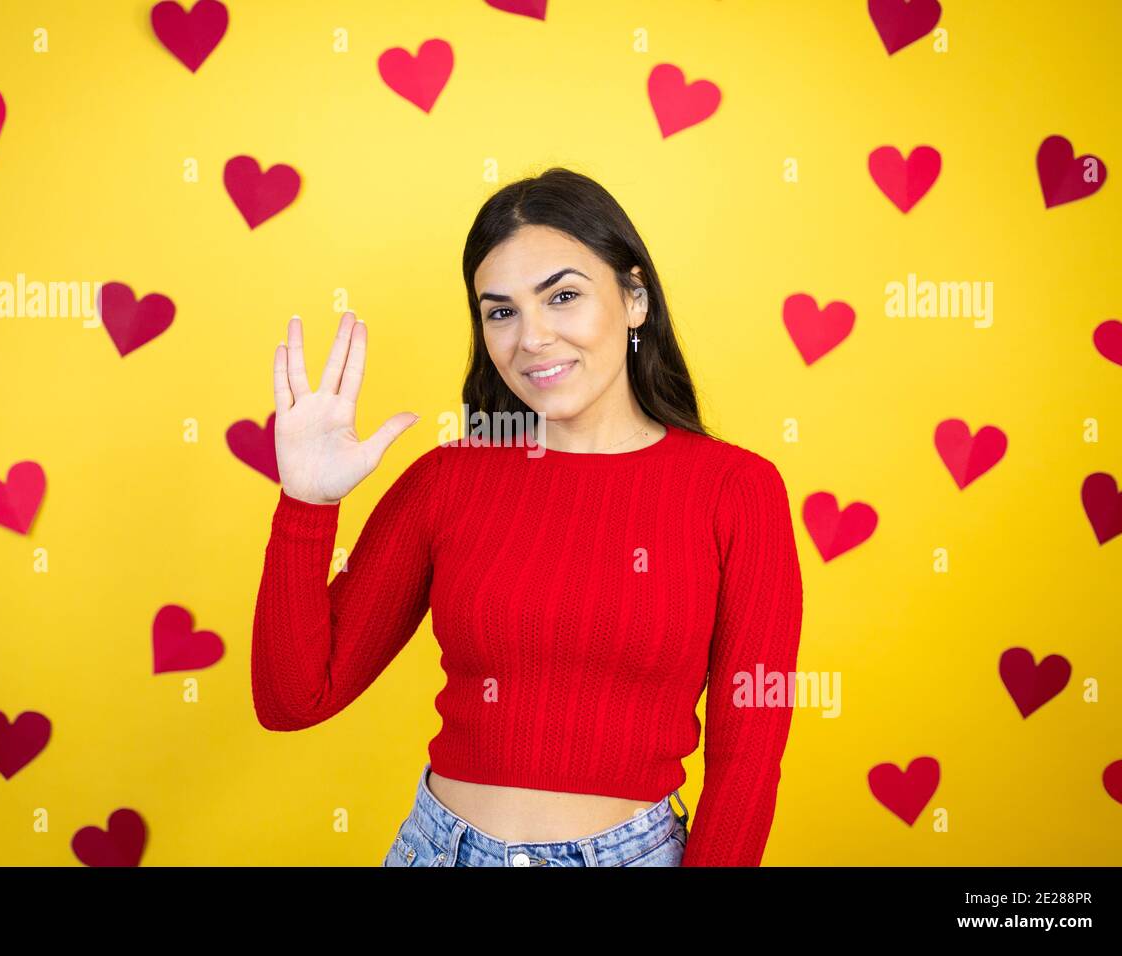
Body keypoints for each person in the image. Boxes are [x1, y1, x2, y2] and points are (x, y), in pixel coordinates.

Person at [251, 167, 804, 866]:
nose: (532, 338)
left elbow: (749, 759)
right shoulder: (448, 480)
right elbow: (294, 699)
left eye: (563, 296)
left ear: (635, 298)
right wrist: (307, 503)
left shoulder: (737, 490)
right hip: (440, 849)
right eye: (501, 312)